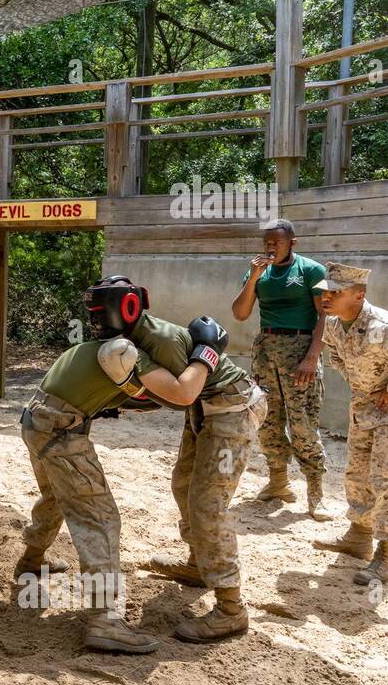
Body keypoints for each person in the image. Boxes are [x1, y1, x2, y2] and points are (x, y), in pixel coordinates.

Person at [17, 296, 223, 654]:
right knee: (99, 518)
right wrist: (206, 351)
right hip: (61, 432)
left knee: (57, 497)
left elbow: (133, 396)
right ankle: (104, 620)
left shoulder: (93, 346)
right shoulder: (122, 350)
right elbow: (181, 395)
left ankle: (31, 561)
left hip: (36, 421)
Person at [88, 276, 268, 643]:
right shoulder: (130, 341)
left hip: (231, 410)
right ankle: (199, 565)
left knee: (207, 505)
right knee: (183, 484)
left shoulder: (160, 340)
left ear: (125, 307)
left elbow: (183, 392)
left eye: (98, 310)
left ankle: (231, 609)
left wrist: (207, 354)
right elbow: (163, 396)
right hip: (205, 410)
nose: (94, 318)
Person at [312, 263, 388, 586]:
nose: (327, 296)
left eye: (336, 292)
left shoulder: (386, 327)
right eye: (326, 291)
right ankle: (359, 536)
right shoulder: (335, 325)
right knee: (358, 472)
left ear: (359, 295)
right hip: (364, 407)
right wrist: (358, 383)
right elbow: (334, 354)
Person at [230, 218, 332, 519]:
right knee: (267, 419)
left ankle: (316, 494)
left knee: (302, 424)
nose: (271, 246)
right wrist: (253, 278)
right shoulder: (258, 272)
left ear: (293, 243)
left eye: (277, 241)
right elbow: (239, 313)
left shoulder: (311, 270)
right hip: (266, 350)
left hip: (300, 351)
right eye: (267, 242)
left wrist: (313, 357)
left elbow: (325, 317)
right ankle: (278, 483)